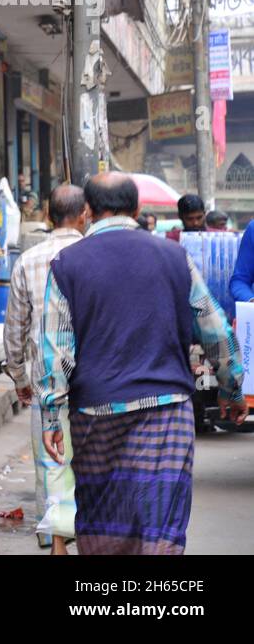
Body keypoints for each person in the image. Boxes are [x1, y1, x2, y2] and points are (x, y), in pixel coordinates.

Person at [37, 172, 246, 555]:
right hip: (166, 410)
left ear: (88, 211)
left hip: (95, 413)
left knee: (102, 519)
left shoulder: (66, 265)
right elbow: (215, 330)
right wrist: (233, 389)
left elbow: (55, 350)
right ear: (137, 209)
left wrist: (51, 417)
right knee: (160, 525)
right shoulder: (174, 257)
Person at [3, 183, 86, 554]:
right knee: (90, 458)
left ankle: (56, 540)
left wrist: (20, 376)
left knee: (51, 460)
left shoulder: (29, 260)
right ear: (85, 215)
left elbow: (14, 329)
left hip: (46, 380)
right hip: (95, 377)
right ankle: (86, 532)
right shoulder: (91, 255)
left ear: (48, 216)